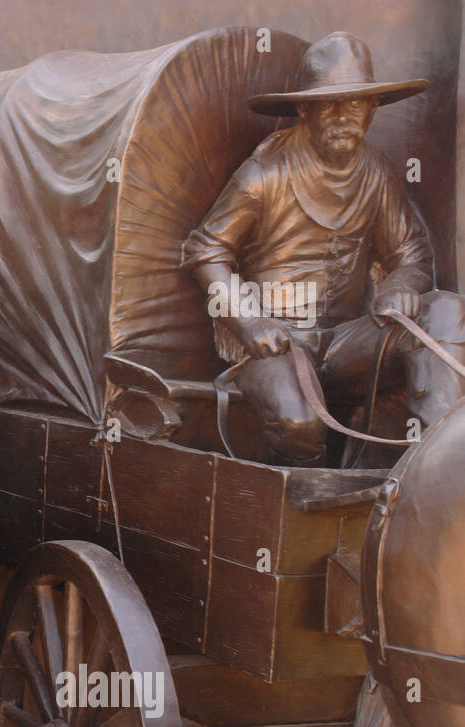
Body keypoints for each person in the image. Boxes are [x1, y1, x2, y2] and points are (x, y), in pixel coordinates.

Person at [182, 32, 465, 465]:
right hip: (277, 346)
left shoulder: (378, 172)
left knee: (446, 310)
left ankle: (439, 467)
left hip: (345, 344)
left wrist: (400, 285)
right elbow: (206, 252)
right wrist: (250, 322)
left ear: (371, 108)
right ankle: (309, 514)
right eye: (330, 104)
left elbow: (410, 253)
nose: (343, 117)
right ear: (304, 108)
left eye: (355, 104)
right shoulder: (263, 174)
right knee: (297, 421)